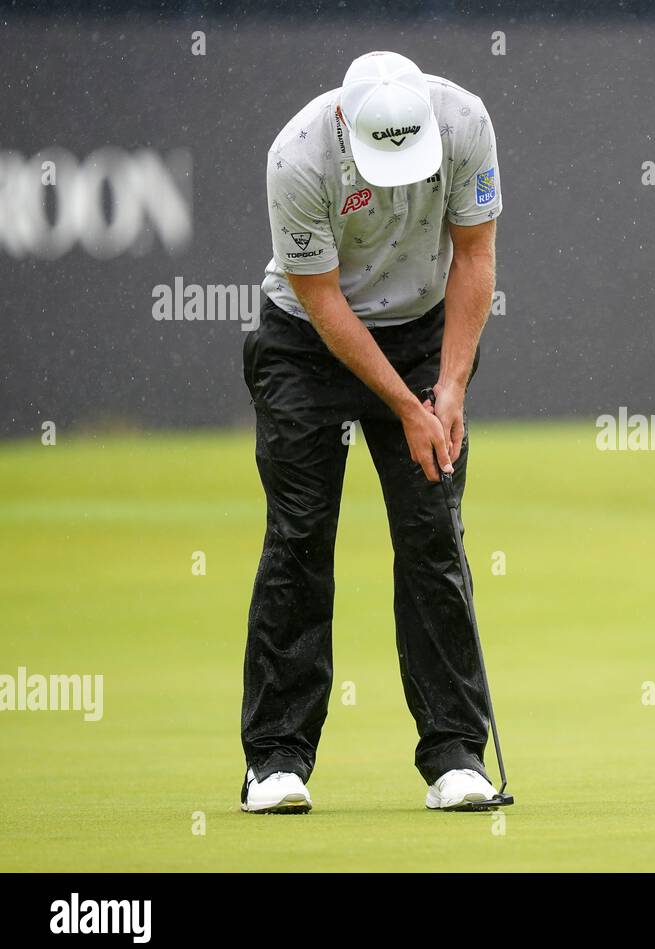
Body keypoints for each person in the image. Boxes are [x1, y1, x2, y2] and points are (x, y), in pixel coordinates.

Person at [239, 50, 502, 813]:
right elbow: (323, 305)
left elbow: (477, 253)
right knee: (299, 535)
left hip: (421, 331)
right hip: (304, 341)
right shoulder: (297, 156)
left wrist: (448, 387)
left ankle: (455, 754)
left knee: (432, 535)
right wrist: (406, 405)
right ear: (345, 125)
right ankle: (276, 760)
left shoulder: (464, 123)